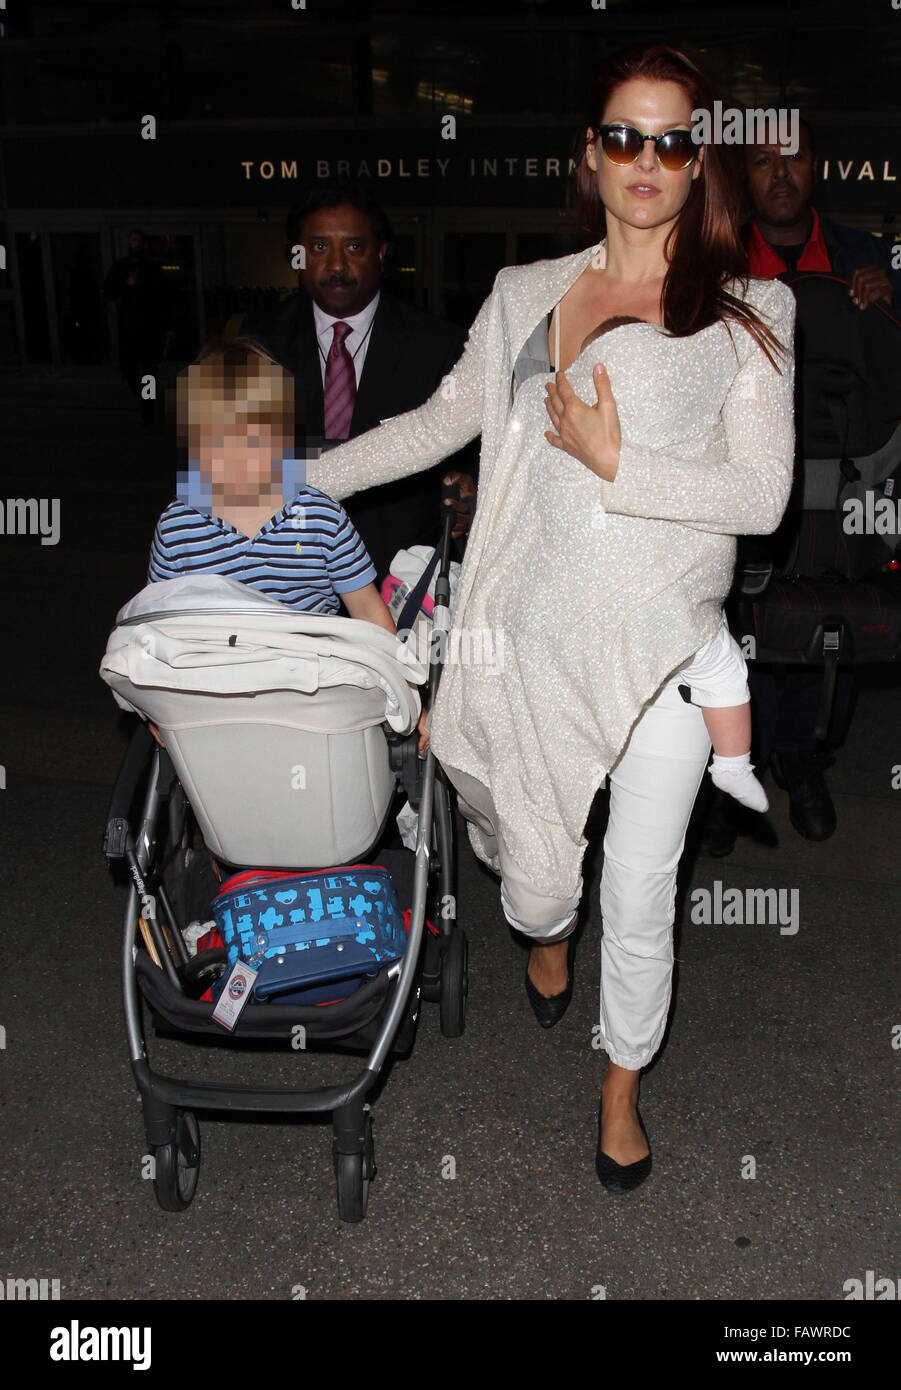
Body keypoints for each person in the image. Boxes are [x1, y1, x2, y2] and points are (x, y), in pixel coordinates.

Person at [297, 43, 796, 1192]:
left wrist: (623, 464)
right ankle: (547, 929)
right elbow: (435, 424)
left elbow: (761, 496)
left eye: (672, 140)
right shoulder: (525, 291)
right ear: (591, 152)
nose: (646, 159)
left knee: (641, 893)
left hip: (661, 653)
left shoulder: (747, 311)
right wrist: (293, 484)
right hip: (521, 645)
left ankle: (619, 1086)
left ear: (698, 162)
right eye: (624, 135)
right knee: (536, 891)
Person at [718, 119, 900, 845]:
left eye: (792, 156)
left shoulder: (868, 256)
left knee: (831, 617)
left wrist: (891, 299)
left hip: (845, 481)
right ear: (743, 174)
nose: (779, 172)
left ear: (815, 164)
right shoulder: (718, 255)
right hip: (744, 471)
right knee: (739, 621)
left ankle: (803, 760)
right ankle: (737, 767)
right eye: (762, 159)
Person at [240, 182, 477, 581]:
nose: (336, 265)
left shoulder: (438, 345)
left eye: (354, 247)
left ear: (381, 254)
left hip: (397, 580)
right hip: (285, 574)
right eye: (319, 247)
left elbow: (468, 461)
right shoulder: (260, 343)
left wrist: (467, 498)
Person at [580, 315, 768, 813]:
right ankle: (733, 764)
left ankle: (732, 764)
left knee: (718, 666)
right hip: (622, 610)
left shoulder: (673, 435)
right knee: (722, 670)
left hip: (656, 608)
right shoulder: (588, 432)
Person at [103, 228, 170, 428]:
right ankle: (146, 403)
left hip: (149, 330)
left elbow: (162, 296)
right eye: (133, 240)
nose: (136, 244)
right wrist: (126, 286)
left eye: (139, 241)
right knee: (130, 368)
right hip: (130, 329)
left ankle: (148, 412)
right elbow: (109, 292)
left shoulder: (151, 268)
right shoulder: (122, 267)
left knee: (148, 371)